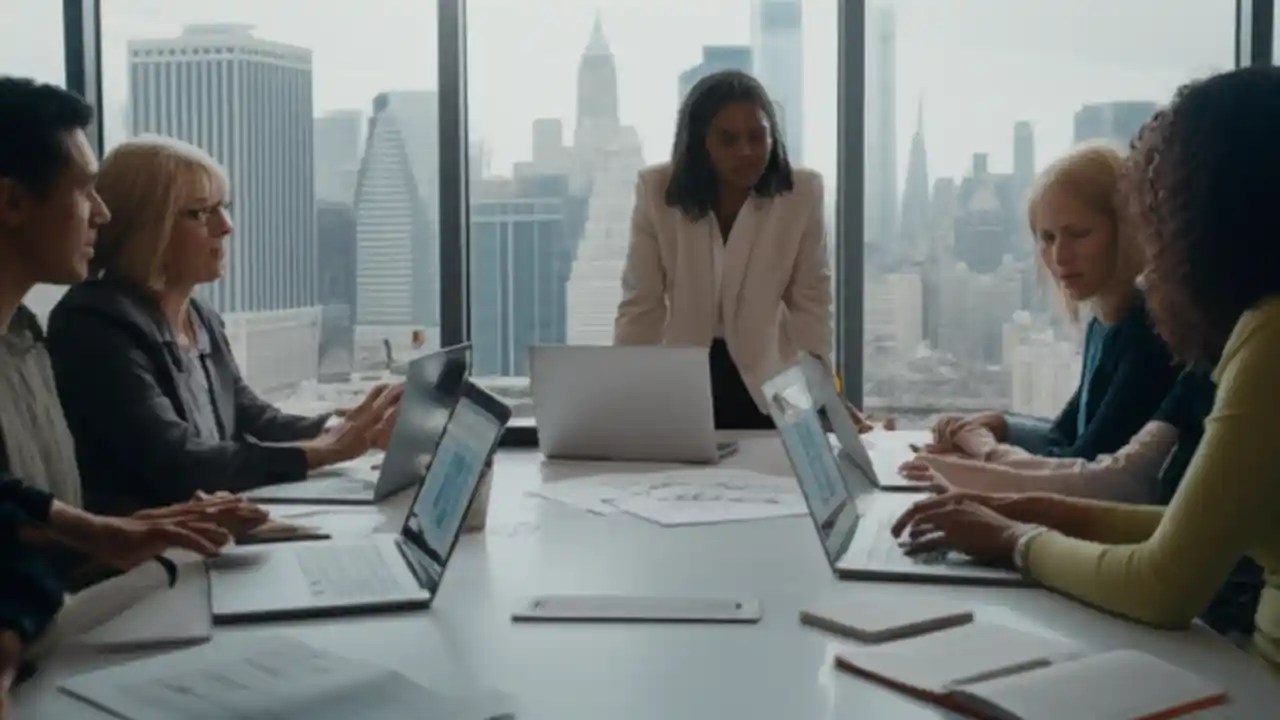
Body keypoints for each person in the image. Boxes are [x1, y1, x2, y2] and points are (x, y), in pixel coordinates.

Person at [893, 66, 1280, 671]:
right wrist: (1040, 510)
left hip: (1246, 667)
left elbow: (1163, 583)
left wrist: (1014, 540)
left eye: (1161, 203)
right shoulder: (1255, 326)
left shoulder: (1268, 339)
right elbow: (1188, 528)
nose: (1155, 232)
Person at [45, 135, 398, 514]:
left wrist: (346, 427)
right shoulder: (94, 323)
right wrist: (327, 450)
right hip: (150, 552)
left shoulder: (199, 316)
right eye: (200, 213)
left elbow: (252, 418)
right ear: (147, 228)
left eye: (223, 208)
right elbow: (178, 464)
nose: (226, 226)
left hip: (208, 530)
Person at [614, 70, 832, 429]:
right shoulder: (657, 191)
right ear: (700, 143)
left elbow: (812, 303)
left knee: (780, 479)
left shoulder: (802, 192)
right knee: (675, 484)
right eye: (728, 140)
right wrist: (624, 393)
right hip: (685, 375)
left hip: (775, 378)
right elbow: (641, 305)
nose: (746, 151)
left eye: (757, 136)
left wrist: (822, 398)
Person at [928, 145, 1175, 460]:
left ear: (1126, 230)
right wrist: (1003, 427)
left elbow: (1085, 461)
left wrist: (984, 455)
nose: (1059, 256)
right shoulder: (1104, 321)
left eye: (1079, 234)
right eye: (1047, 238)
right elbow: (1068, 435)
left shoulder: (1149, 332)